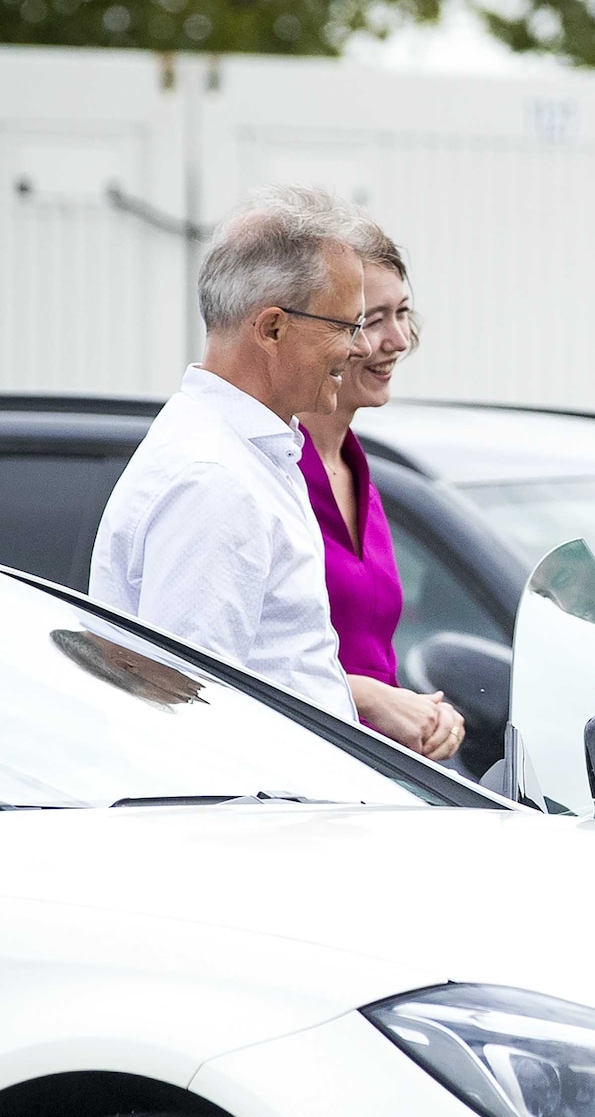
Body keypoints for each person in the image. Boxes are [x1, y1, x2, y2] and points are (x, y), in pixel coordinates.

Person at [90, 188, 364, 718]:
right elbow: (189, 716)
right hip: (263, 802)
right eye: (345, 326)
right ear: (272, 328)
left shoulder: (242, 456)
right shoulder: (215, 480)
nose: (362, 347)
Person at [297, 219, 465, 762]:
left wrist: (424, 716)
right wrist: (367, 698)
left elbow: (369, 657)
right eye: (371, 320)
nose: (395, 341)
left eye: (402, 313)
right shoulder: (272, 472)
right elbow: (220, 670)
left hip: (366, 780)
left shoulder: (357, 464)